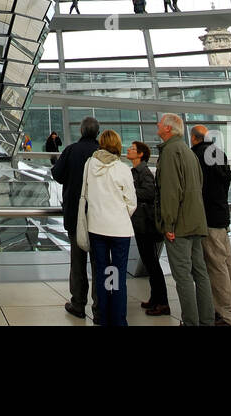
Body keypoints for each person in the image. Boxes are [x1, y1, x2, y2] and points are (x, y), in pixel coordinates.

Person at [154, 113, 214, 326]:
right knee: (200, 273)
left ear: (168, 129)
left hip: (179, 225)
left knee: (183, 277)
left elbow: (170, 192)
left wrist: (168, 223)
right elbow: (198, 185)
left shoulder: (170, 152)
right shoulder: (189, 153)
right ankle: (206, 320)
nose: (158, 125)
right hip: (197, 221)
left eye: (160, 123)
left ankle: (190, 321)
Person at [83, 129, 136, 327]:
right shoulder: (122, 168)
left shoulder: (90, 165)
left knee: (103, 274)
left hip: (97, 227)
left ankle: (103, 318)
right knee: (118, 275)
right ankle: (119, 320)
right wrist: (121, 214)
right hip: (120, 230)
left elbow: (86, 195)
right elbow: (131, 201)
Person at [51, 116, 101, 321]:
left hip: (75, 214)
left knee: (78, 262)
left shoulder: (71, 150)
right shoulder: (103, 153)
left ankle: (78, 304)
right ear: (98, 132)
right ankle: (100, 309)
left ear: (81, 131)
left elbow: (58, 175)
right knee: (100, 263)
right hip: (100, 215)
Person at [190, 125, 231, 325]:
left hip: (208, 218)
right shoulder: (219, 154)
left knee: (215, 267)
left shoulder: (196, 156)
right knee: (227, 264)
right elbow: (226, 179)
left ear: (194, 138)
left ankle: (224, 314)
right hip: (221, 215)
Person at [126, 140, 167, 315]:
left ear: (140, 154)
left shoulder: (143, 171)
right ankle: (155, 298)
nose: (129, 150)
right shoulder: (135, 171)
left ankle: (162, 302)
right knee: (150, 263)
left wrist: (130, 193)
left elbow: (150, 193)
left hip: (146, 225)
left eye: (133, 149)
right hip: (141, 223)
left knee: (152, 264)